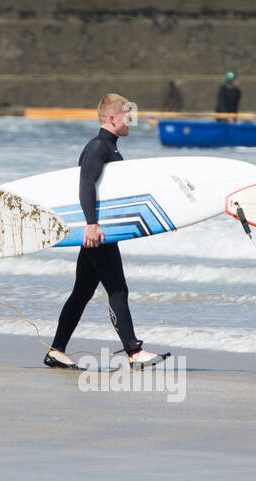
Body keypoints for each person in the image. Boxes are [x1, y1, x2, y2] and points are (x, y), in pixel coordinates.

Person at [45, 93, 167, 370]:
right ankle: (134, 351)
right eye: (127, 115)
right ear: (112, 118)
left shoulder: (110, 149)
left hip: (100, 229)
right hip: (98, 232)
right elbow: (85, 184)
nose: (131, 120)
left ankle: (56, 350)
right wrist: (90, 223)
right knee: (117, 290)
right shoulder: (98, 147)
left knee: (81, 293)